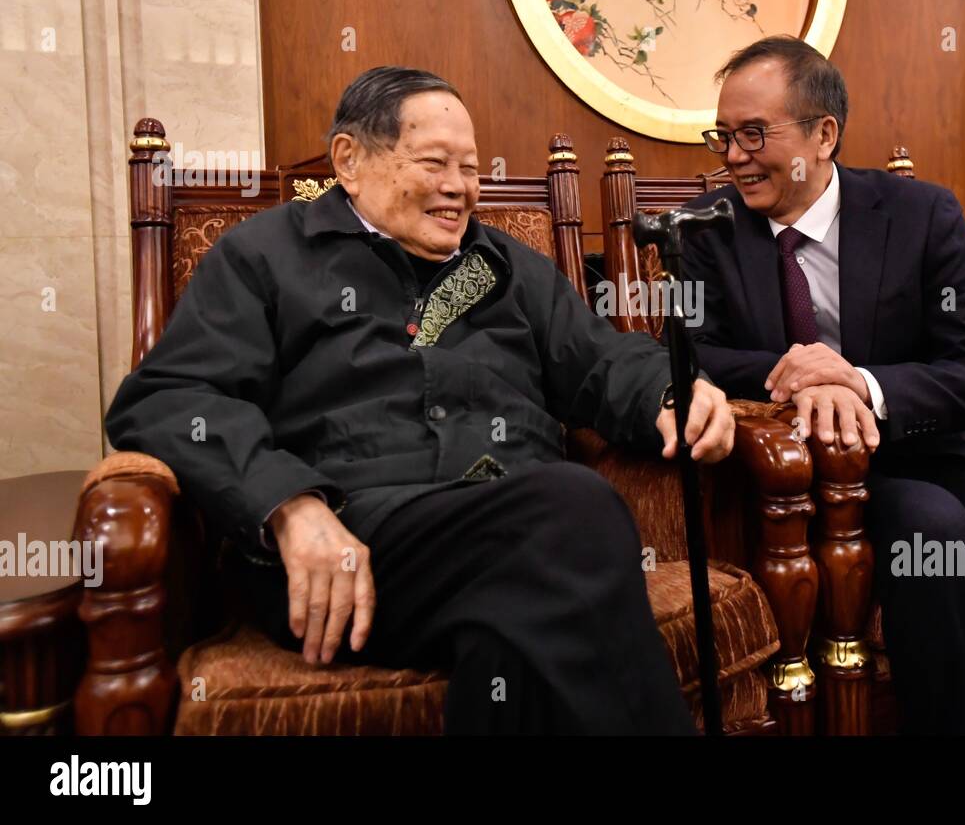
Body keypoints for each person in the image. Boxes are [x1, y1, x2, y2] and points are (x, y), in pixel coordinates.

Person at [106, 66, 736, 735]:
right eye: (435, 163)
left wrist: (671, 391)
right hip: (355, 541)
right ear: (349, 160)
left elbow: (602, 359)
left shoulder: (508, 267)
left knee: (509, 645)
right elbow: (169, 397)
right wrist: (288, 506)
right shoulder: (264, 257)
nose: (460, 187)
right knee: (576, 509)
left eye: (470, 167)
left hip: (518, 530)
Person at [682, 35, 965, 735]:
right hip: (829, 475)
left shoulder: (921, 214)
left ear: (824, 134)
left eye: (754, 134)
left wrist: (862, 383)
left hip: (961, 449)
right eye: (724, 135)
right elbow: (694, 355)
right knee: (934, 538)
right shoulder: (707, 233)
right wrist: (801, 374)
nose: (733, 156)